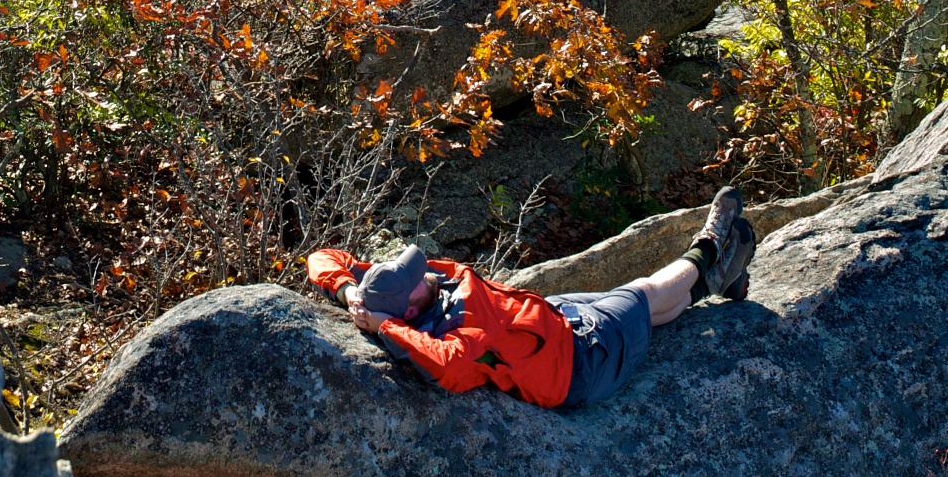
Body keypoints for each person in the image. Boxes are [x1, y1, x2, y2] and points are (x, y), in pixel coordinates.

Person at [306, 187, 756, 408]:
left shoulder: (394, 291)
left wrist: (347, 292)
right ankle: (709, 248)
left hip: (555, 319)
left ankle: (716, 283)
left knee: (648, 316)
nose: (424, 271)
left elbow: (321, 257)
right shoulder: (456, 333)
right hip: (579, 363)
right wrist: (385, 327)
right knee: (643, 294)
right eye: (415, 279)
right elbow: (447, 365)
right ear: (408, 310)